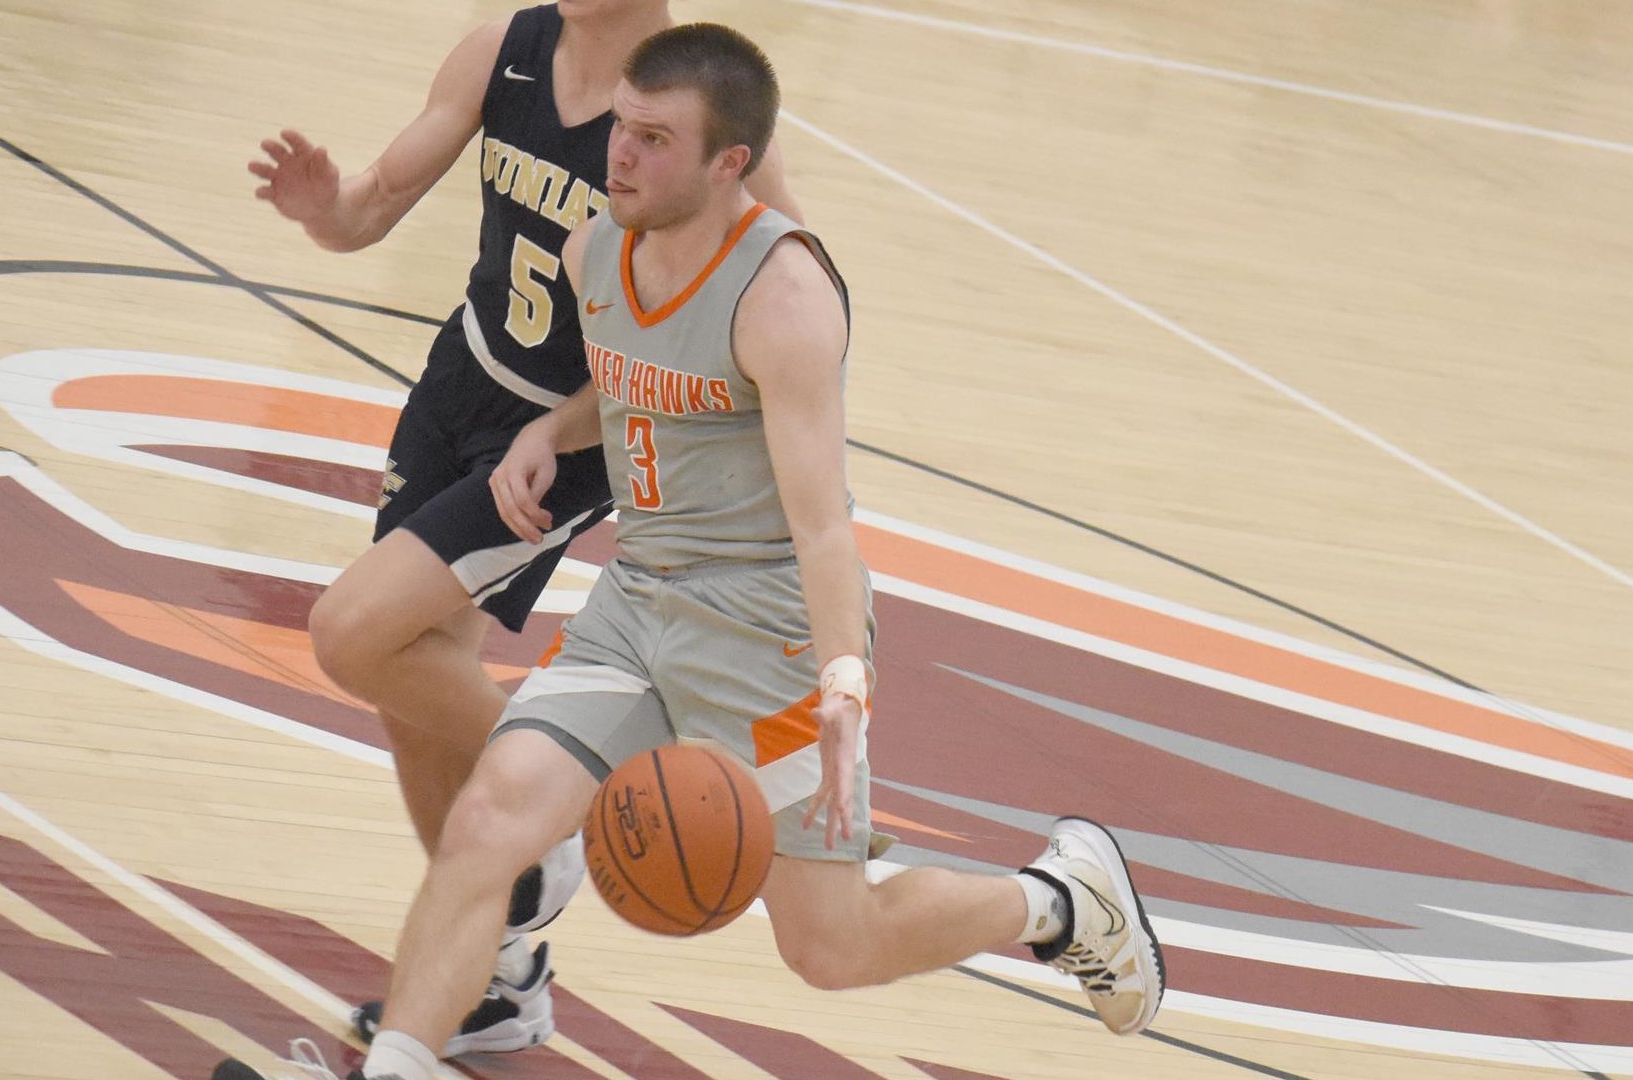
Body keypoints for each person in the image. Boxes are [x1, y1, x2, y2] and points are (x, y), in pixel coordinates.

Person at [220, 21, 1161, 1080]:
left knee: (828, 945)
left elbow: (823, 526)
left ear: (731, 165)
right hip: (640, 607)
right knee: (487, 819)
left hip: (768, 640)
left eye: (653, 140)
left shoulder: (785, 297)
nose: (618, 156)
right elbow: (629, 374)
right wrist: (550, 430)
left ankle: (1058, 899)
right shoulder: (597, 251)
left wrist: (844, 684)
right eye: (620, 130)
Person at [243, 0, 799, 1059]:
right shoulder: (507, 49)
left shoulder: (696, 106)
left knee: (353, 632)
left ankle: (568, 810)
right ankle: (502, 980)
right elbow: (373, 206)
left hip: (568, 437)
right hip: (459, 381)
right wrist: (325, 211)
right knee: (413, 688)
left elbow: (759, 309)